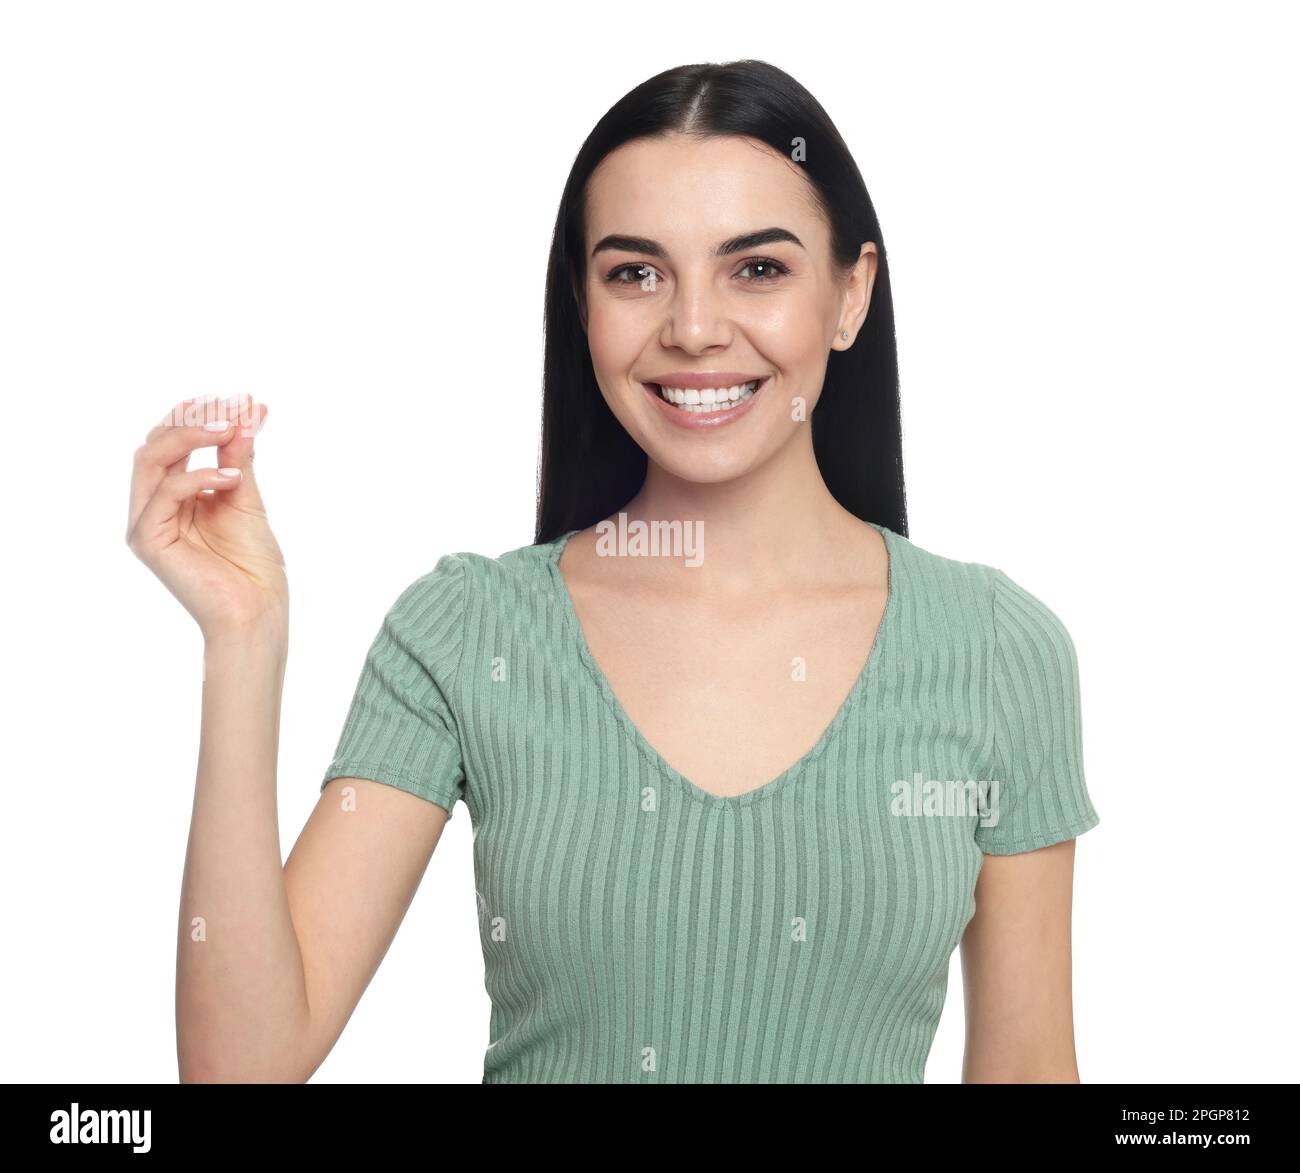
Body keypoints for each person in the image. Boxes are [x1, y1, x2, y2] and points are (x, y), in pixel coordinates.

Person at [127, 59, 1099, 1084]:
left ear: (851, 293)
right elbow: (240, 1068)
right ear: (582, 304)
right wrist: (243, 638)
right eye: (635, 274)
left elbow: (1029, 1068)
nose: (693, 328)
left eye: (757, 269)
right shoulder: (470, 632)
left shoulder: (997, 651)